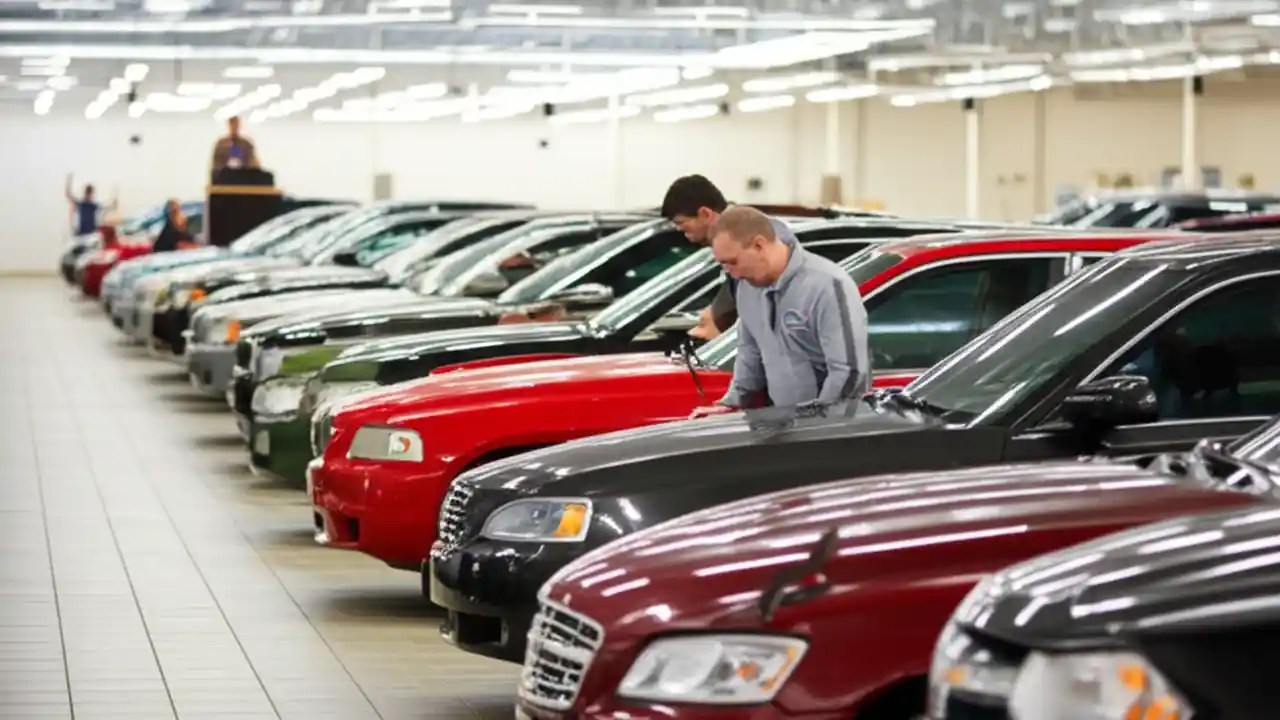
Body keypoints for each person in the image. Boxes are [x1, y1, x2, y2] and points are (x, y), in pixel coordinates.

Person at [697, 205, 869, 417]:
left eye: (733, 262)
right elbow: (750, 353)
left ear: (759, 245)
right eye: (723, 265)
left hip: (830, 430)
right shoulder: (747, 289)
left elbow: (848, 373)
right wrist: (733, 403)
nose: (730, 273)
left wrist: (819, 425)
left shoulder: (827, 286)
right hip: (784, 425)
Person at [660, 174, 798, 341]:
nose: (679, 230)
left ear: (705, 213)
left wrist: (718, 324)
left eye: (681, 222)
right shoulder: (732, 241)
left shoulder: (765, 235)